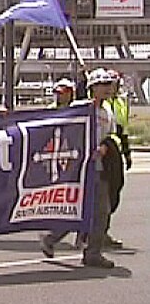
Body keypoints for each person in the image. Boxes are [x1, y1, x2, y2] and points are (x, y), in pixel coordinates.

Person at [40, 68, 120, 269]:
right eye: (102, 85)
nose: (107, 89)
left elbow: (112, 135)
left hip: (100, 167)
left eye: (108, 84)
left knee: (102, 211)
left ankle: (93, 252)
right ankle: (51, 239)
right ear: (93, 88)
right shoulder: (79, 108)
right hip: (80, 168)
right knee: (77, 209)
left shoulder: (108, 112)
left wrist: (106, 146)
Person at [104, 70, 130, 249]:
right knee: (102, 194)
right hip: (103, 150)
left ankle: (100, 230)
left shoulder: (121, 103)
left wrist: (127, 153)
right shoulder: (100, 103)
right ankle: (96, 233)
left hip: (116, 151)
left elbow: (124, 129)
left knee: (115, 190)